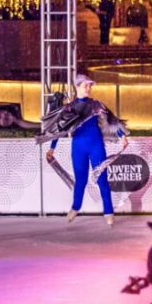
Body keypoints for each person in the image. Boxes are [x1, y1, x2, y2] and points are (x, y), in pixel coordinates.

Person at [40, 74, 129, 226]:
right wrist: (52, 148)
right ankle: (75, 207)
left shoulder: (96, 104)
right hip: (78, 148)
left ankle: (108, 211)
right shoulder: (69, 108)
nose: (89, 88)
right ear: (78, 87)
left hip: (96, 146)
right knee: (80, 181)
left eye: (90, 85)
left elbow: (112, 120)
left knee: (102, 180)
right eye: (86, 85)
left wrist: (122, 136)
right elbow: (60, 130)